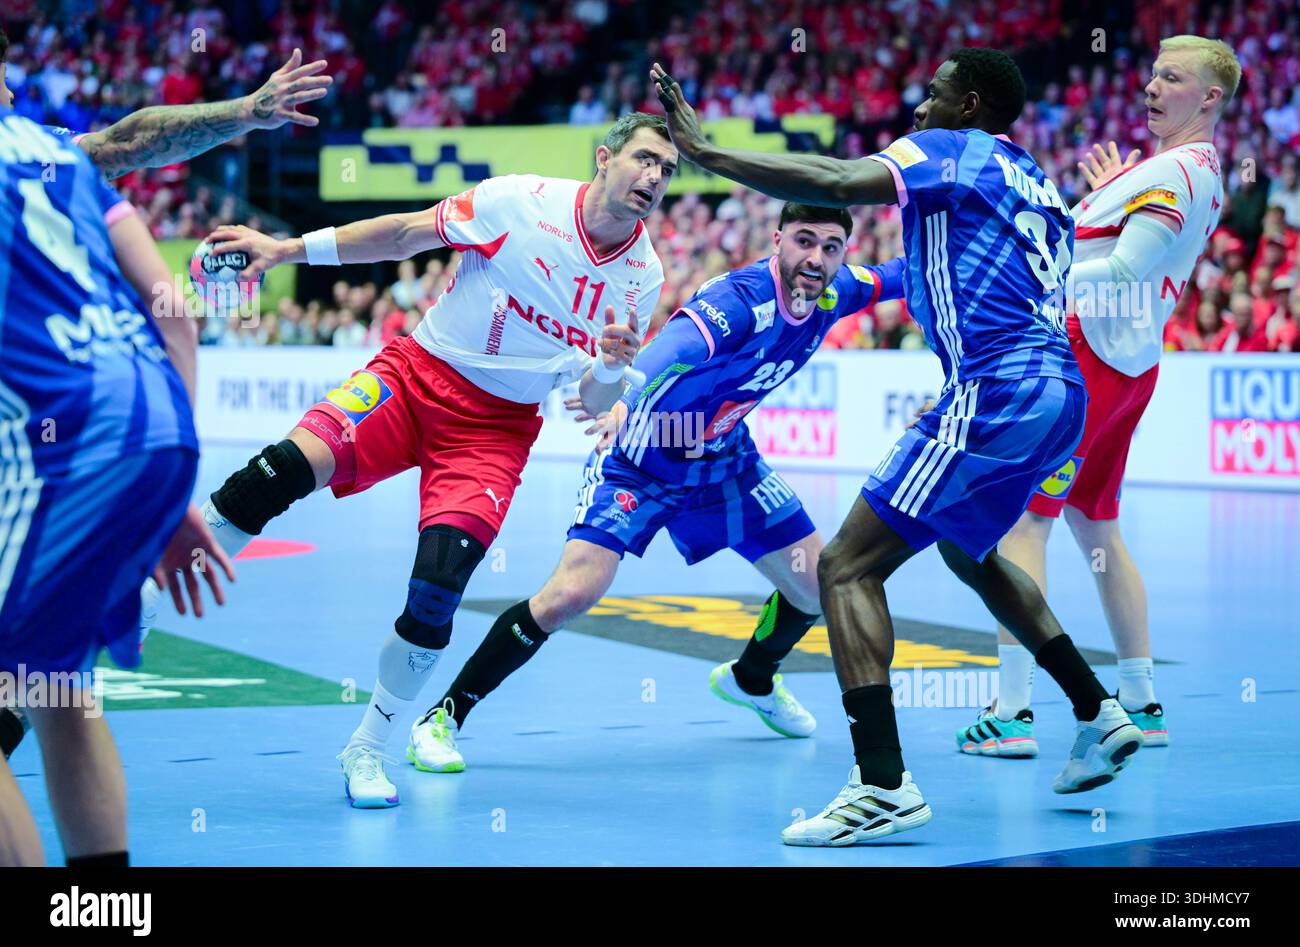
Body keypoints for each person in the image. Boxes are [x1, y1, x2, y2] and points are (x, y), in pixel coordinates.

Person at [652, 47, 1143, 847]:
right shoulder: (1038, 184)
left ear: (972, 104)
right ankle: (1097, 709)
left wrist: (707, 153)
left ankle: (882, 784)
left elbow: (841, 183)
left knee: (846, 567)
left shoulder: (953, 149)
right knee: (966, 551)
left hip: (998, 385)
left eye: (937, 94)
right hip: (1061, 394)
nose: (919, 109)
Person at [175, 113, 675, 808]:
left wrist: (615, 372)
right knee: (278, 472)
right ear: (604, 158)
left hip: (495, 431)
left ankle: (368, 748)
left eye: (668, 170)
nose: (654, 177)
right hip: (413, 377)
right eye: (645, 159)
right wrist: (286, 250)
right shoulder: (519, 203)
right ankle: (140, 603)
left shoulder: (642, 277)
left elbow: (592, 397)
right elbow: (404, 233)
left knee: (439, 588)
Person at [407, 204, 905, 772]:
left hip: (724, 461)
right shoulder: (739, 303)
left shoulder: (836, 290)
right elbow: (672, 349)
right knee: (569, 595)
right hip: (642, 460)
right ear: (777, 239)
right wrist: (623, 394)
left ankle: (751, 678)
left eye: (831, 245)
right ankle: (445, 714)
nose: (815, 258)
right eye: (804, 240)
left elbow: (902, 274)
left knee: (820, 585)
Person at [960, 36, 1240, 756]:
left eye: (1171, 79)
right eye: (1151, 74)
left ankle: (1013, 712)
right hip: (1131, 367)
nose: (1152, 87)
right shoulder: (1179, 168)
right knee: (1097, 529)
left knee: (1023, 523)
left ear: (1209, 98)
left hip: (1087, 358)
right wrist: (1118, 187)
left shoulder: (1176, 172)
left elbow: (1120, 269)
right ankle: (1143, 701)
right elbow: (1119, 238)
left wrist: (1028, 278)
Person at [0, 114, 232, 866]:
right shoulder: (58, 156)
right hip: (152, 416)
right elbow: (178, 319)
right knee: (55, 684)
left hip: (63, 433)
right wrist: (167, 485)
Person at [1, 28, 333, 180]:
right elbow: (125, 144)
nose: (12, 93)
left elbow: (125, 143)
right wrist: (245, 111)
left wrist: (245, 112)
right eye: (2, 82)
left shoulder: (34, 147)